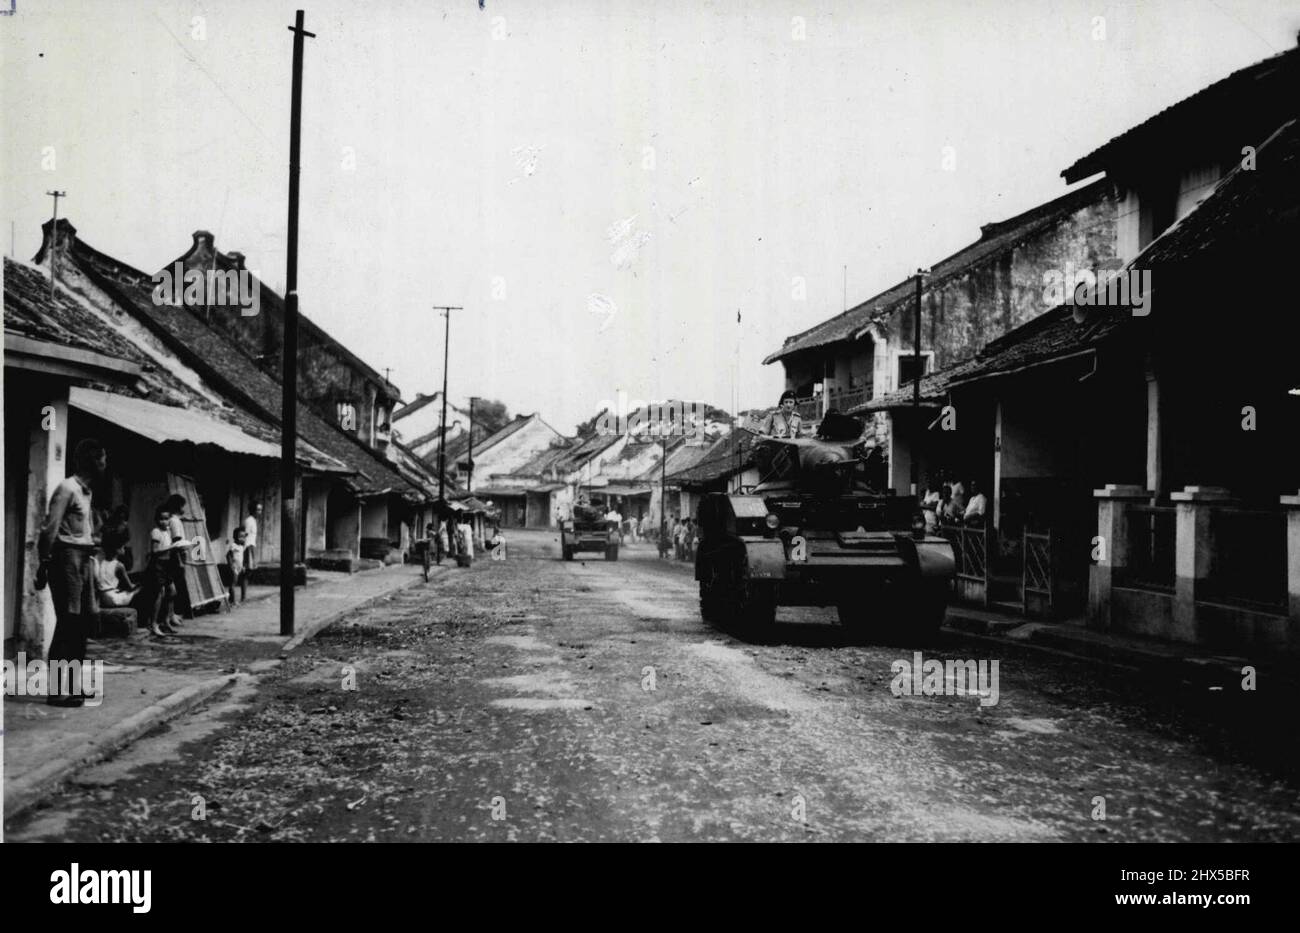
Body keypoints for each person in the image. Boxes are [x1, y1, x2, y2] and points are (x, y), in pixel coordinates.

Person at [36, 439, 106, 706]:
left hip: (84, 559)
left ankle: (73, 686)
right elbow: (49, 528)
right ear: (92, 461)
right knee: (68, 623)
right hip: (66, 559)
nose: (105, 465)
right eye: (102, 459)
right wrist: (43, 564)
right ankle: (56, 692)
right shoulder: (67, 488)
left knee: (81, 626)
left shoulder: (86, 491)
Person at [92, 536, 139, 609]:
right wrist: (138, 586)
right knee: (143, 590)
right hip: (113, 599)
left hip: (102, 597)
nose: (124, 549)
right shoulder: (119, 566)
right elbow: (130, 587)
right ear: (117, 549)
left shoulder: (99, 561)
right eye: (123, 547)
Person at [226, 527, 249, 604]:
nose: (242, 539)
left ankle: (243, 597)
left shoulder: (242, 547)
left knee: (244, 580)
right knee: (233, 583)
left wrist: (243, 566)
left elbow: (242, 557)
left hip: (240, 567)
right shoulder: (233, 546)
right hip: (234, 567)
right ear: (235, 537)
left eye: (244, 537)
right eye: (240, 537)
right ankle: (232, 600)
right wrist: (231, 565)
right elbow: (228, 555)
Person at [242, 503, 261, 571]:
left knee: (250, 572)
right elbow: (246, 536)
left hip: (252, 547)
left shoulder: (254, 521)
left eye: (260, 510)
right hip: (248, 548)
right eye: (258, 510)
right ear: (253, 510)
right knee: (247, 571)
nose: (260, 512)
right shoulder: (249, 521)